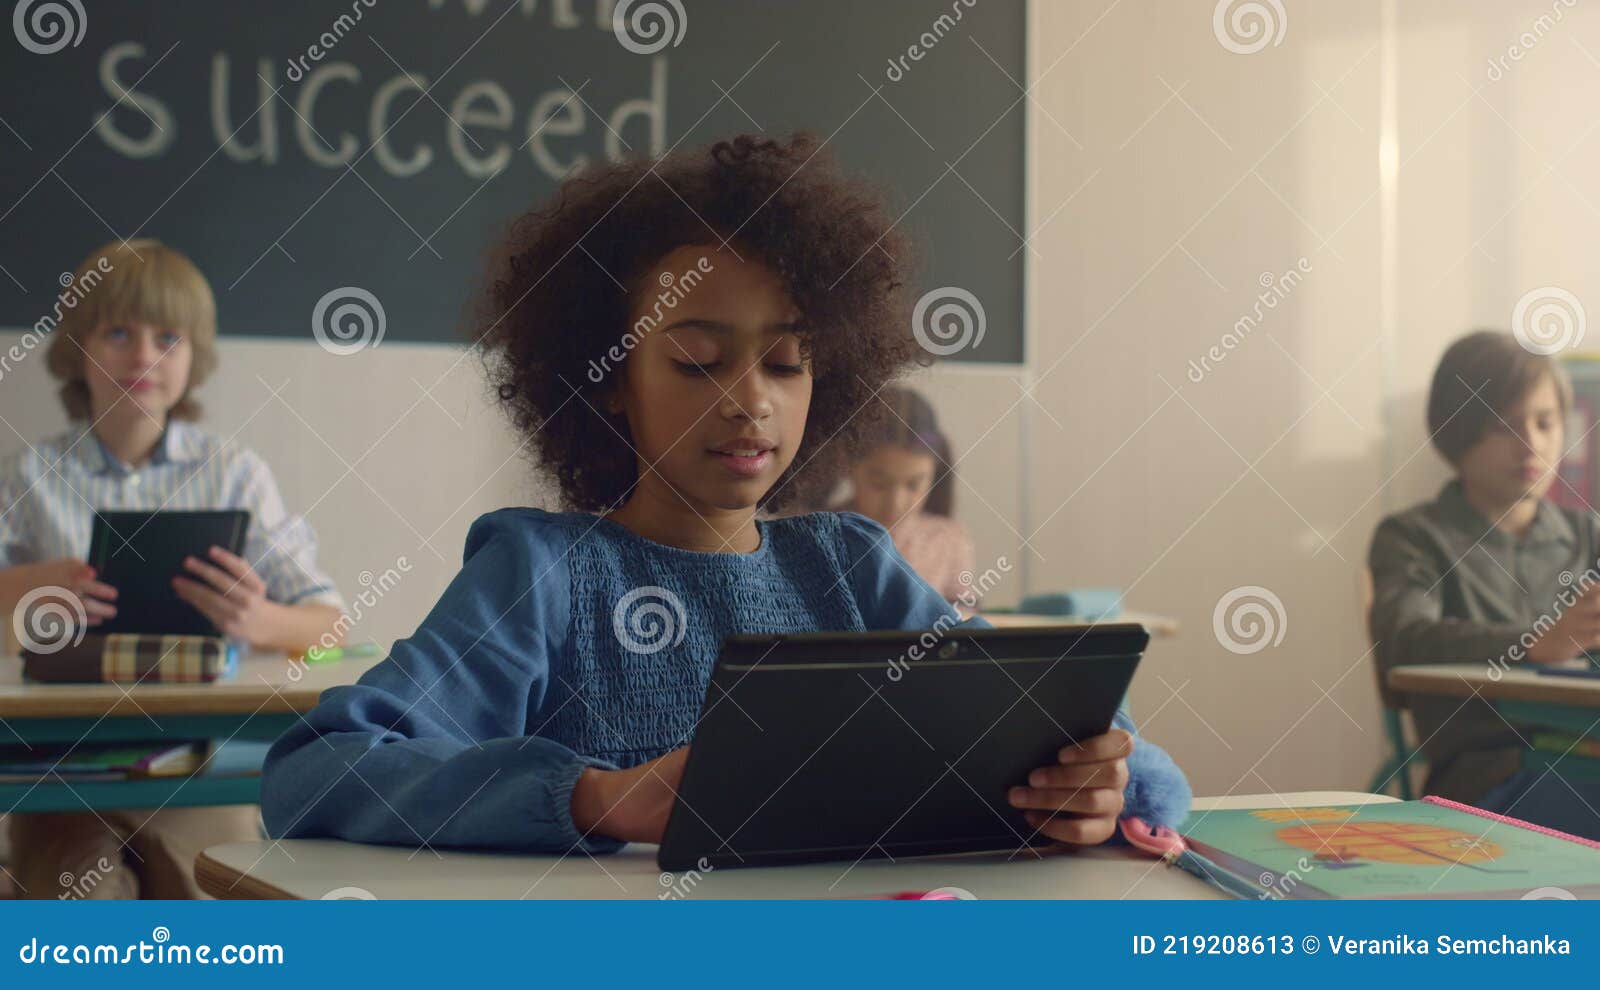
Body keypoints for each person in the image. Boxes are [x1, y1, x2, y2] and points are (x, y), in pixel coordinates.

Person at [262, 134, 1191, 855]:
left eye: (787, 363)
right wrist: (594, 797)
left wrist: (1099, 786)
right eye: (698, 362)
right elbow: (318, 772)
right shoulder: (544, 573)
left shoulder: (851, 567)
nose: (751, 401)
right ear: (609, 382)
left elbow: (1060, 728)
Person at [0, 239, 346, 897]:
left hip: (205, 762)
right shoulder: (25, 477)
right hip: (59, 769)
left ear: (196, 356)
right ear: (78, 348)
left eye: (168, 337)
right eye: (119, 332)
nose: (142, 356)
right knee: (80, 913)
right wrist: (20, 587)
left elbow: (329, 625)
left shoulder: (235, 474)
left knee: (210, 907)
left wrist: (260, 618)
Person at [1369, 329, 1600, 839]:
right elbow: (1403, 642)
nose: (1531, 444)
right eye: (1504, 426)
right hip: (1487, 776)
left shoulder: (1588, 536)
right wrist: (1536, 644)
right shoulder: (1413, 538)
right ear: (1458, 431)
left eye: (1546, 423)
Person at [836, 386, 977, 606]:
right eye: (879, 483)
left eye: (913, 484)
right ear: (849, 466)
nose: (896, 502)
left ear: (934, 474)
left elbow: (963, 618)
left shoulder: (949, 540)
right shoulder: (821, 533)